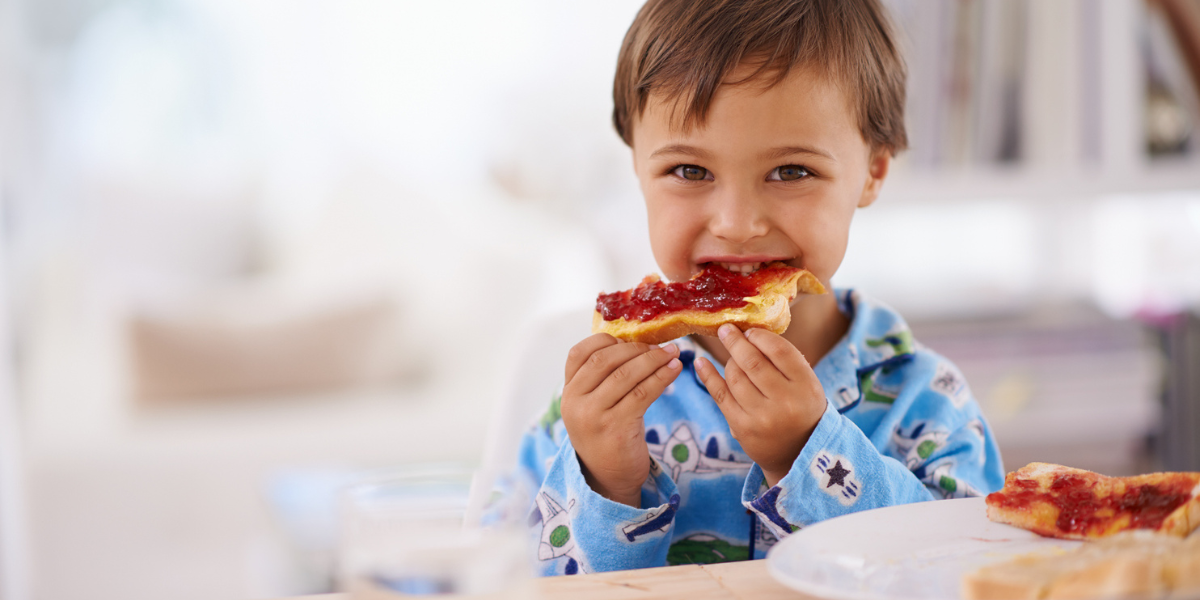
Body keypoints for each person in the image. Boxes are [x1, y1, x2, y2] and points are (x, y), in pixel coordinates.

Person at [515, 0, 1005, 575]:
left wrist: (810, 455)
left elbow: (968, 574)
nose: (737, 223)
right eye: (690, 171)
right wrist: (605, 482)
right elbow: (498, 580)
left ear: (872, 172)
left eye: (792, 171)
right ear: (636, 166)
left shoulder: (929, 402)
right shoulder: (589, 411)